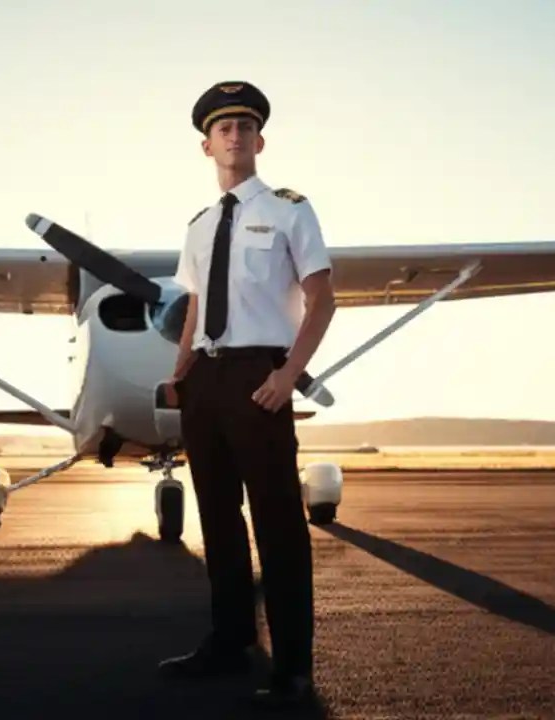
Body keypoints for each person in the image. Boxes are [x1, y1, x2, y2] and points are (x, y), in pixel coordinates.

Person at [159, 80, 337, 710]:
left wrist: (288, 374)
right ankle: (229, 641)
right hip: (204, 383)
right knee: (220, 522)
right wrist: (179, 376)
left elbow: (322, 299)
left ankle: (293, 666)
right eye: (222, 126)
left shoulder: (291, 209)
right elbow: (194, 308)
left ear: (259, 139)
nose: (234, 134)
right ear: (206, 145)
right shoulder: (199, 226)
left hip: (259, 378)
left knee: (279, 524)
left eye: (244, 124)